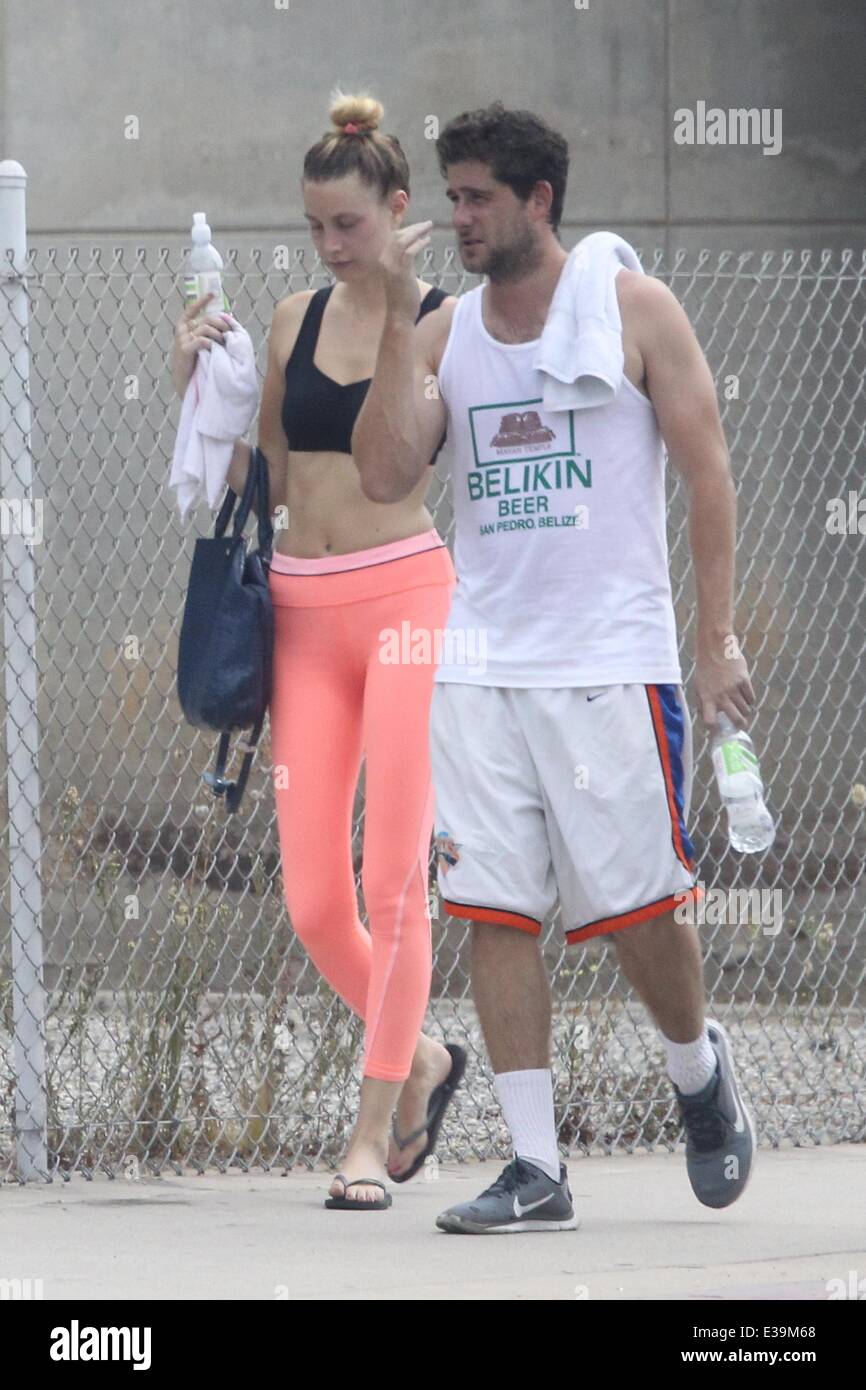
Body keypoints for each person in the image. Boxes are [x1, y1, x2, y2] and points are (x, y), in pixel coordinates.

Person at [352, 100, 757, 1233]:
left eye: (478, 196)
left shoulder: (634, 311)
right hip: (481, 667)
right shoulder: (446, 332)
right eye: (453, 196)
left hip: (608, 660)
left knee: (636, 911)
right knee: (491, 905)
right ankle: (533, 1165)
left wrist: (713, 641)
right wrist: (394, 321)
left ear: (537, 200)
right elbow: (387, 475)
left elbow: (707, 474)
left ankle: (696, 1071)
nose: (458, 216)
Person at [170, 90, 466, 1211]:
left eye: (349, 225)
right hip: (300, 606)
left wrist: (392, 303)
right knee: (308, 898)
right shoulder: (291, 316)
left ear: (398, 211)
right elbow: (266, 481)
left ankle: (368, 1129)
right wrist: (191, 380)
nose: (330, 246)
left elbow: (410, 454)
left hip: (403, 599)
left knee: (393, 878)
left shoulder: (438, 316)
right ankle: (427, 1059)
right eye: (315, 228)